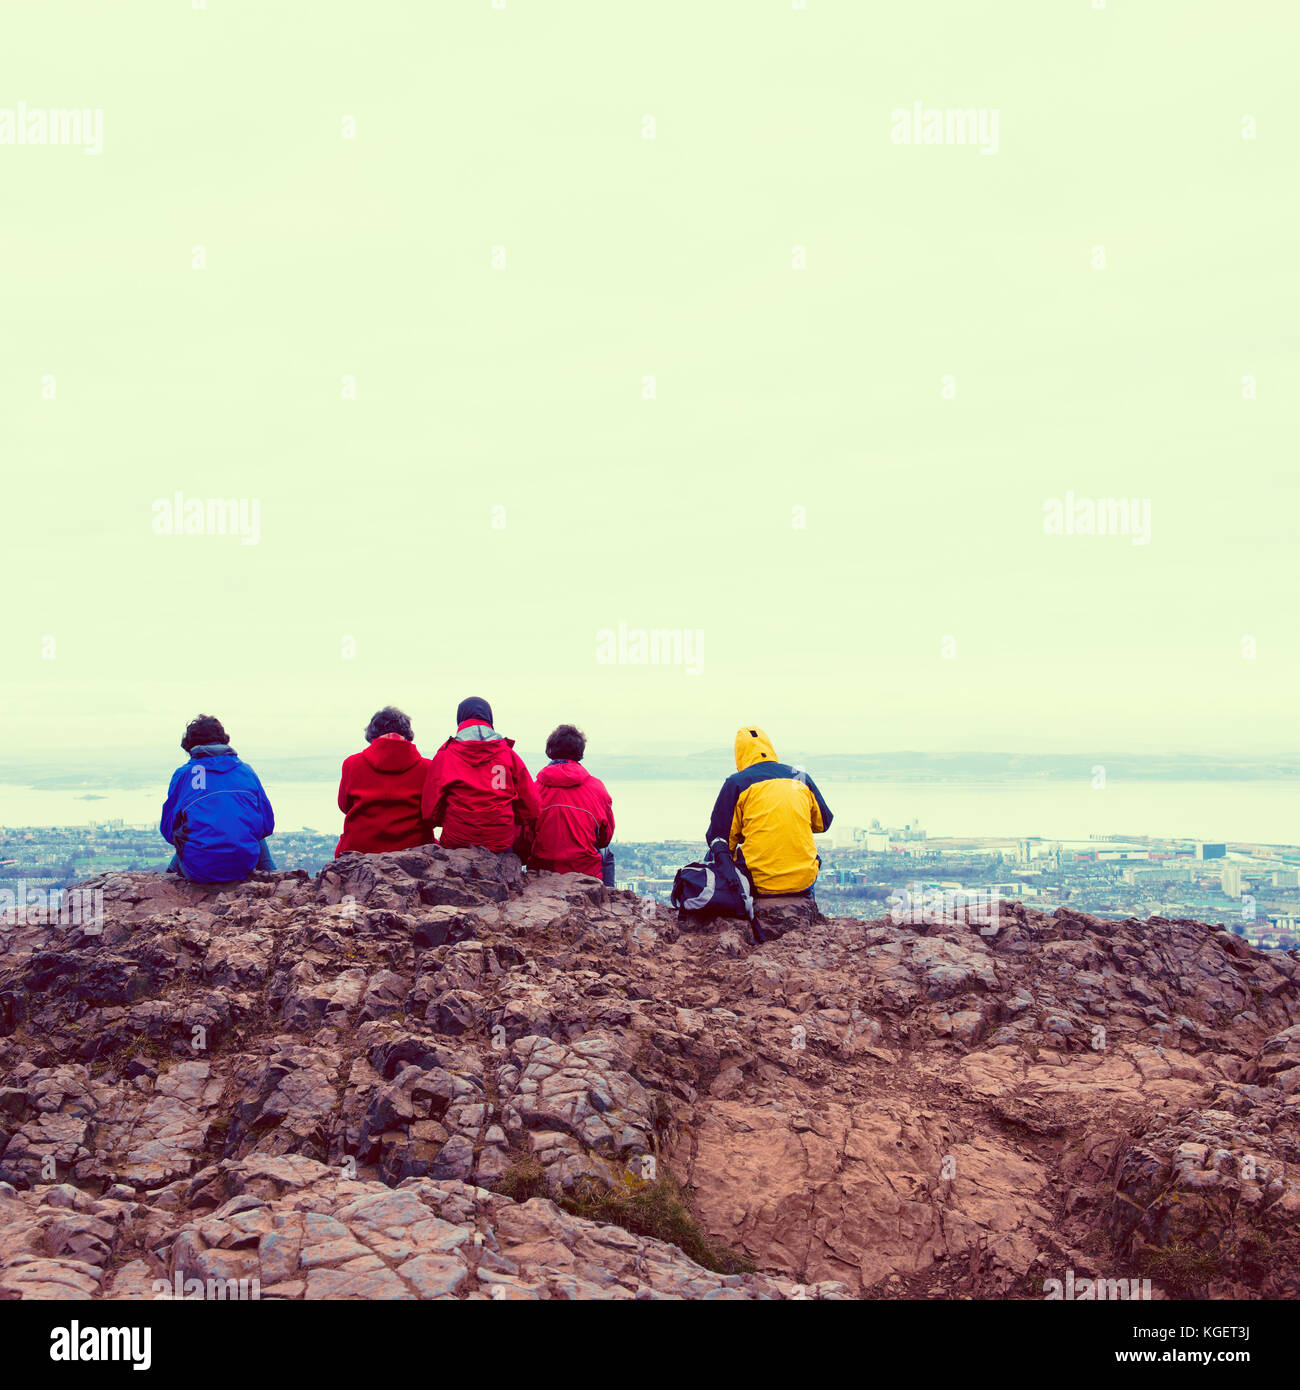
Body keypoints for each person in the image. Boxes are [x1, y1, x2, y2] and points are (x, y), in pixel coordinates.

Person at [705, 725, 832, 898]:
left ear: (739, 755)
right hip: (804, 880)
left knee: (715, 850)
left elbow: (720, 839)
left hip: (758, 882)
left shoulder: (737, 783)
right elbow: (823, 823)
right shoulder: (799, 776)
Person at [160, 715, 275, 883]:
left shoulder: (185, 774)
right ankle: (273, 875)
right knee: (246, 824)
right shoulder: (245, 771)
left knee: (187, 833)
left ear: (189, 745)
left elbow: (168, 830)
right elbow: (267, 825)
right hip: (243, 867)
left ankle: (168, 877)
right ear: (223, 740)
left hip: (200, 871)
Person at [420, 697, 539, 855]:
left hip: (456, 843)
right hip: (500, 843)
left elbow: (429, 813)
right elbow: (533, 809)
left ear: (460, 720)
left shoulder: (445, 755)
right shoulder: (508, 755)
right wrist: (507, 819)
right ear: (490, 719)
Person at [335, 706, 433, 856]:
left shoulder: (352, 764)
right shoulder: (427, 767)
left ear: (372, 732)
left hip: (359, 851)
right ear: (406, 733)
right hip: (414, 851)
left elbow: (344, 806)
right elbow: (431, 813)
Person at [527, 724, 615, 884]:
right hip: (585, 872)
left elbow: (525, 837)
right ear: (580, 752)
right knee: (606, 852)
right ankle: (607, 896)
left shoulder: (535, 789)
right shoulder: (597, 788)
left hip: (542, 869)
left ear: (550, 750)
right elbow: (605, 838)